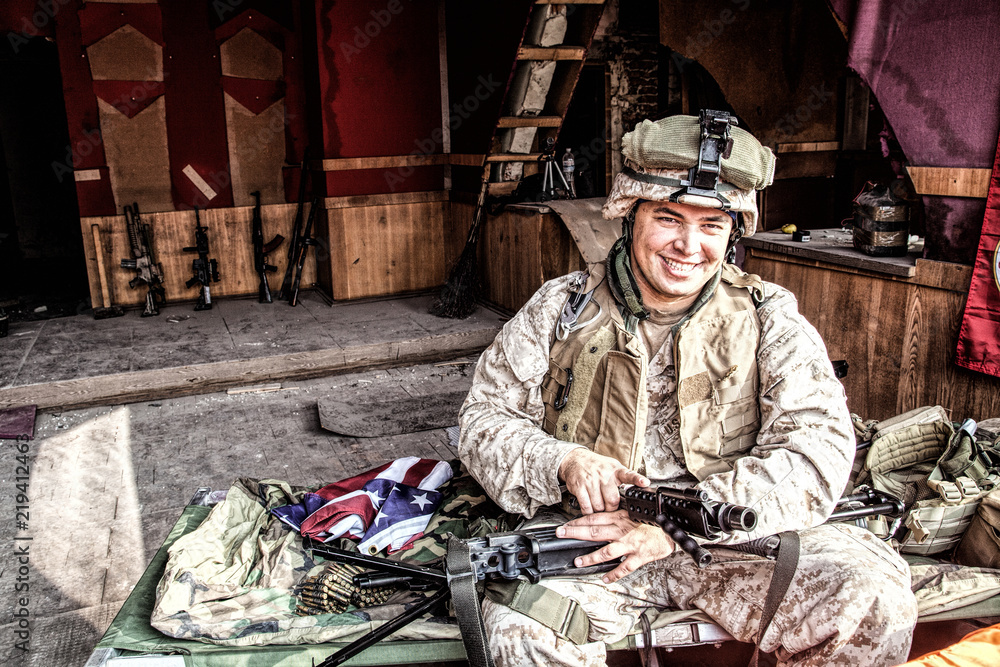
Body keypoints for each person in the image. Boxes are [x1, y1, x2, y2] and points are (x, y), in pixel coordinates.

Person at [458, 111, 918, 667]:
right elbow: (483, 420)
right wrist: (563, 460)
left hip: (730, 534)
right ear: (630, 217)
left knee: (871, 599)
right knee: (518, 629)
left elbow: (816, 452)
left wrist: (682, 521)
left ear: (733, 233)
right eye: (669, 218)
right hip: (590, 539)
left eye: (711, 226)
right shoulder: (562, 306)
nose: (688, 245)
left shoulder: (769, 317)